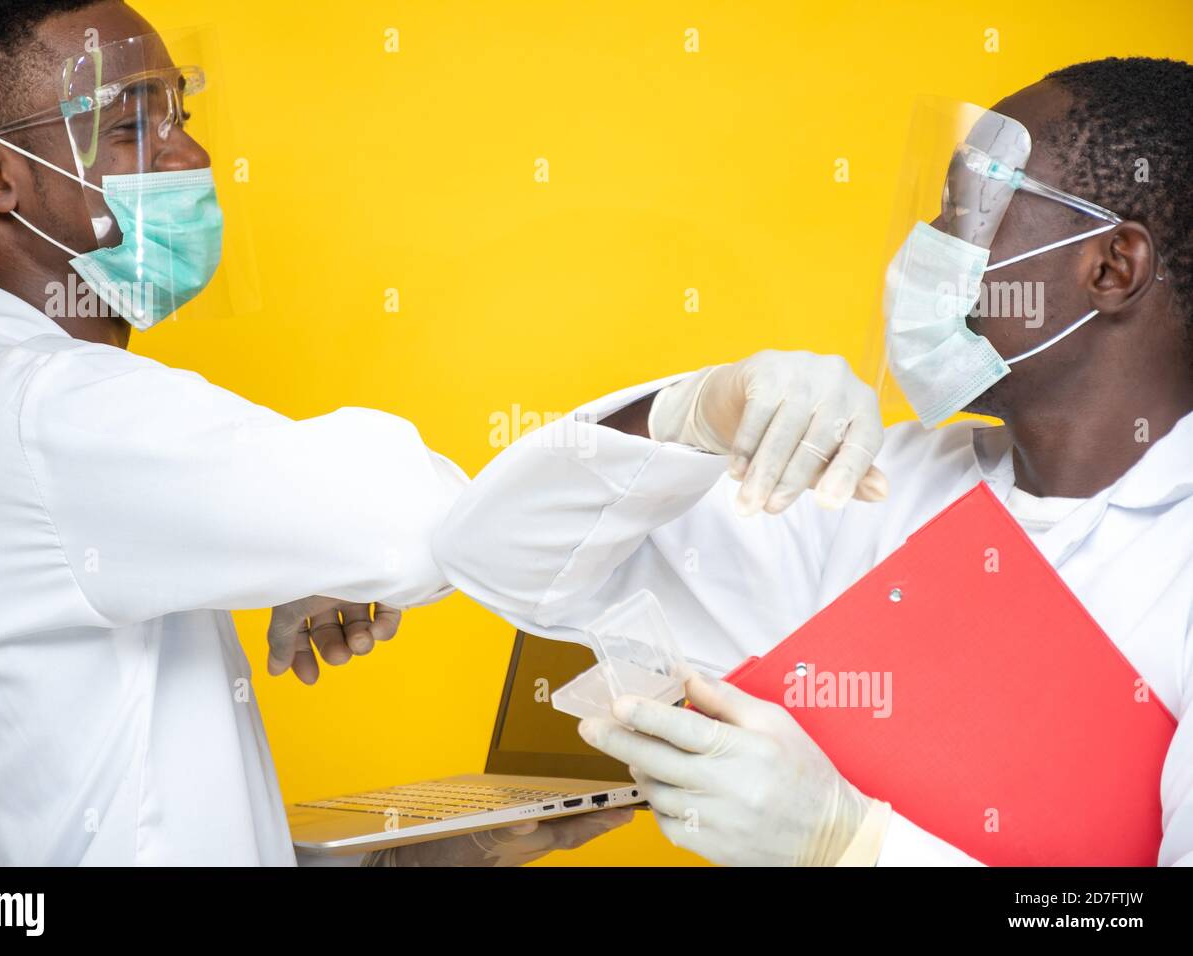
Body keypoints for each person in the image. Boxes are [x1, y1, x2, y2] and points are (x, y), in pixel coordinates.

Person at [0, 0, 627, 865]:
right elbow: (418, 523)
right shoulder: (51, 408)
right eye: (131, 124)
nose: (191, 155)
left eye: (181, 113)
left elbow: (98, 804)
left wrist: (404, 859)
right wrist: (343, 552)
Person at [434, 59, 1193, 866]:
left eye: (971, 208)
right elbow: (500, 559)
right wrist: (686, 415)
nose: (928, 244)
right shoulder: (877, 487)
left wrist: (855, 846)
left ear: (1112, 268)